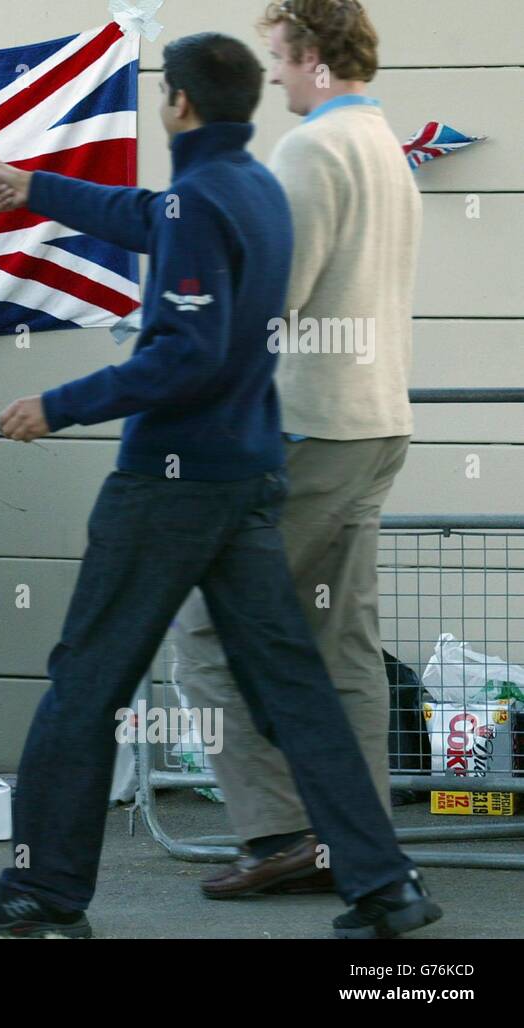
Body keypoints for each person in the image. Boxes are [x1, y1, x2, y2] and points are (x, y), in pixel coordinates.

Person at [0, 31, 439, 940]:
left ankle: (43, 892)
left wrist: (63, 402)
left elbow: (187, 353)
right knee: (292, 685)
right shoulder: (253, 187)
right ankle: (386, 885)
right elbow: (150, 216)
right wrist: (36, 188)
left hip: (171, 489)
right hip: (250, 478)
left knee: (85, 681)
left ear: (179, 104)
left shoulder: (210, 194)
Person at [173, 0, 422, 900]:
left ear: (312, 54)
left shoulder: (310, 151)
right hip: (375, 420)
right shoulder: (384, 145)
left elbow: (270, 300)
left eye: (279, 57)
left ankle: (278, 832)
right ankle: (360, 843)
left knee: (206, 630)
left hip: (308, 429)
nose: (272, 75)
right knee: (342, 645)